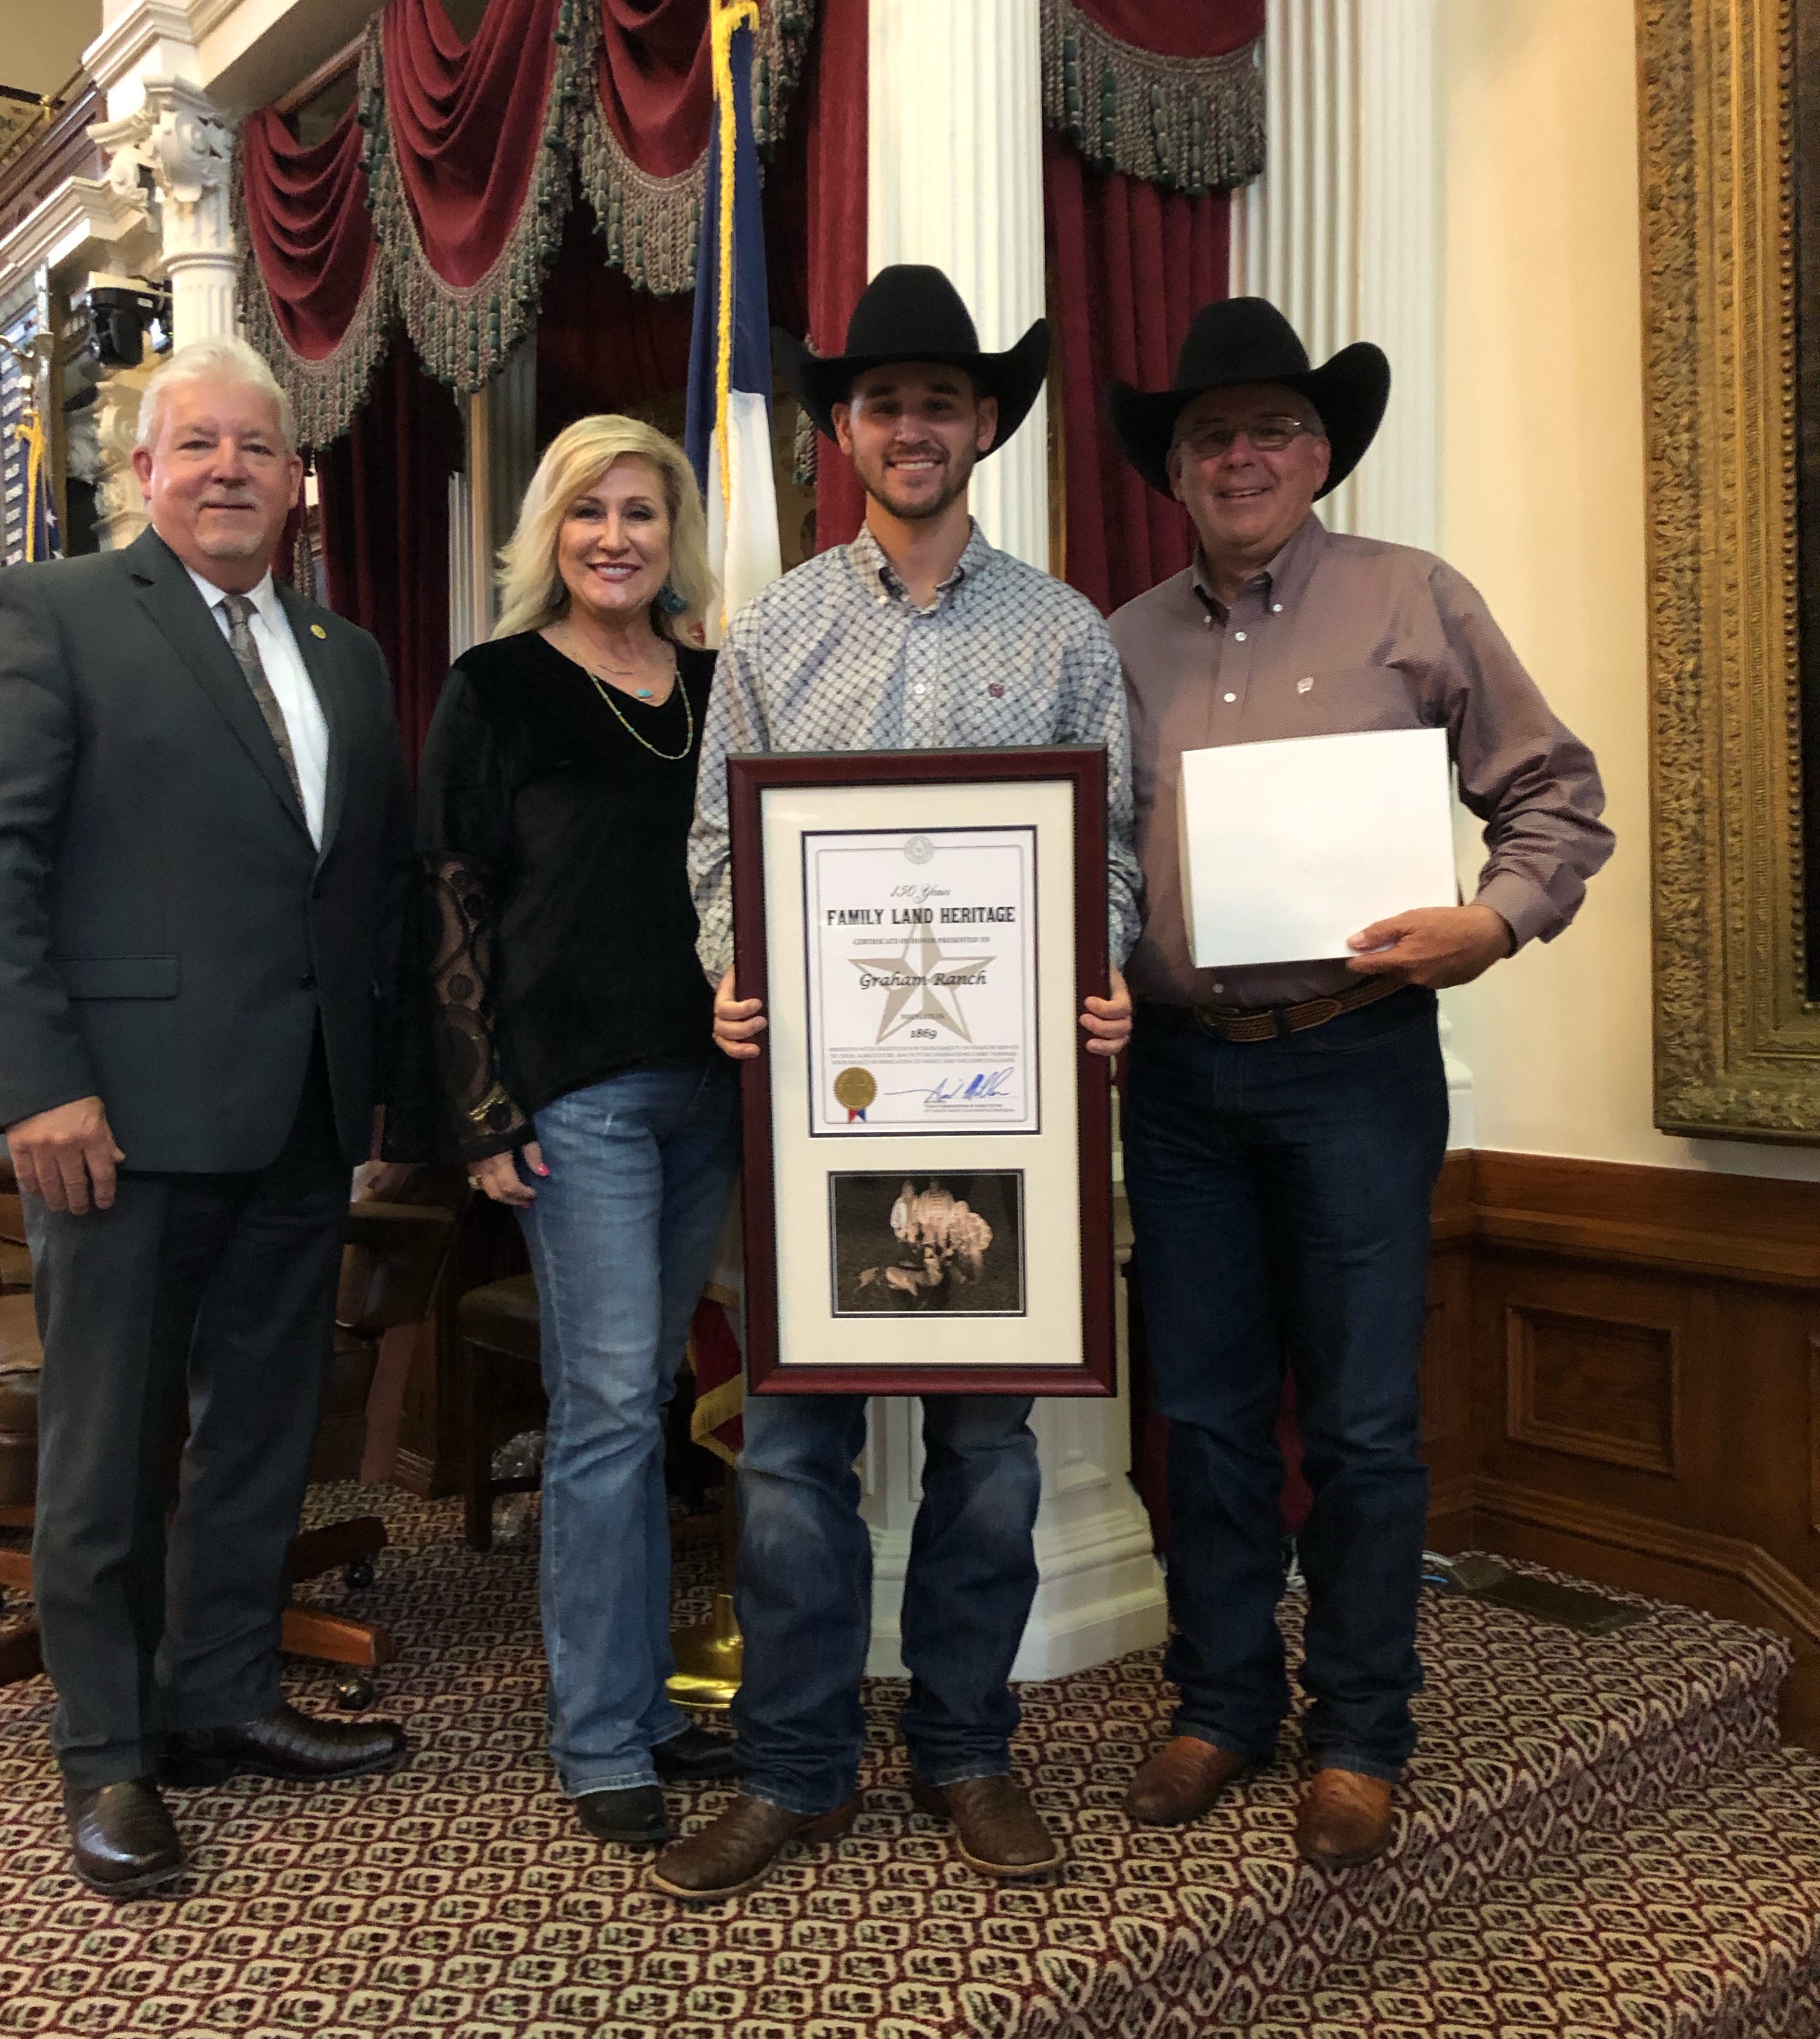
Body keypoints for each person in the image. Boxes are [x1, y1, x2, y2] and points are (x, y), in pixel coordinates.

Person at [1105, 297, 1614, 1867]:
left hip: (1356, 1067)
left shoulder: (1415, 599)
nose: (1241, 456)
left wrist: (1487, 923)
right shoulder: (1120, 644)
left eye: (1270, 430)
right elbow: (1090, 861)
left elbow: (1560, 803)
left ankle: (1362, 1733)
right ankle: (1222, 1703)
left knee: (1366, 1423)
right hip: (1179, 1083)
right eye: (1211, 437)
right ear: (1176, 469)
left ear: (1319, 451)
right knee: (1199, 1411)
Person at [655, 264, 1141, 1904]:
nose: (914, 426)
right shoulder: (778, 626)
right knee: (793, 1455)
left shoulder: (1064, 631)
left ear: (984, 422)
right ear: (841, 429)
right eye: (884, 402)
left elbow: (1110, 857)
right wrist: (741, 972)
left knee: (987, 1455)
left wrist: (1100, 977)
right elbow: (728, 847)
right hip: (821, 1116)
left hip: (1002, 1121)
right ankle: (795, 1769)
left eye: (944, 400)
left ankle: (966, 1749)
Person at [0, 335, 413, 1898]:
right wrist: (38, 1085)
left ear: (296, 479)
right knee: (105, 1445)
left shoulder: (343, 653)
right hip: (116, 1119)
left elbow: (364, 894)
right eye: (196, 445)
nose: (230, 469)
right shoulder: (56, 614)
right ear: (141, 473)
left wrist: (390, 1094)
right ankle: (108, 1755)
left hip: (300, 1113)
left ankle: (221, 1696)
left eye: (259, 449)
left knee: (263, 1432)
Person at [415, 417, 742, 1848]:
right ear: (549, 530)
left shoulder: (719, 686)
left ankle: (650, 1706)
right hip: (576, 1100)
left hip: (713, 1089)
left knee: (646, 1395)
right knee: (608, 1408)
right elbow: (449, 899)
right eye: (589, 512)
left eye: (644, 513)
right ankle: (601, 1730)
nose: (618, 537)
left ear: (677, 537)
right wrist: (479, 1108)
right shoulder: (493, 688)